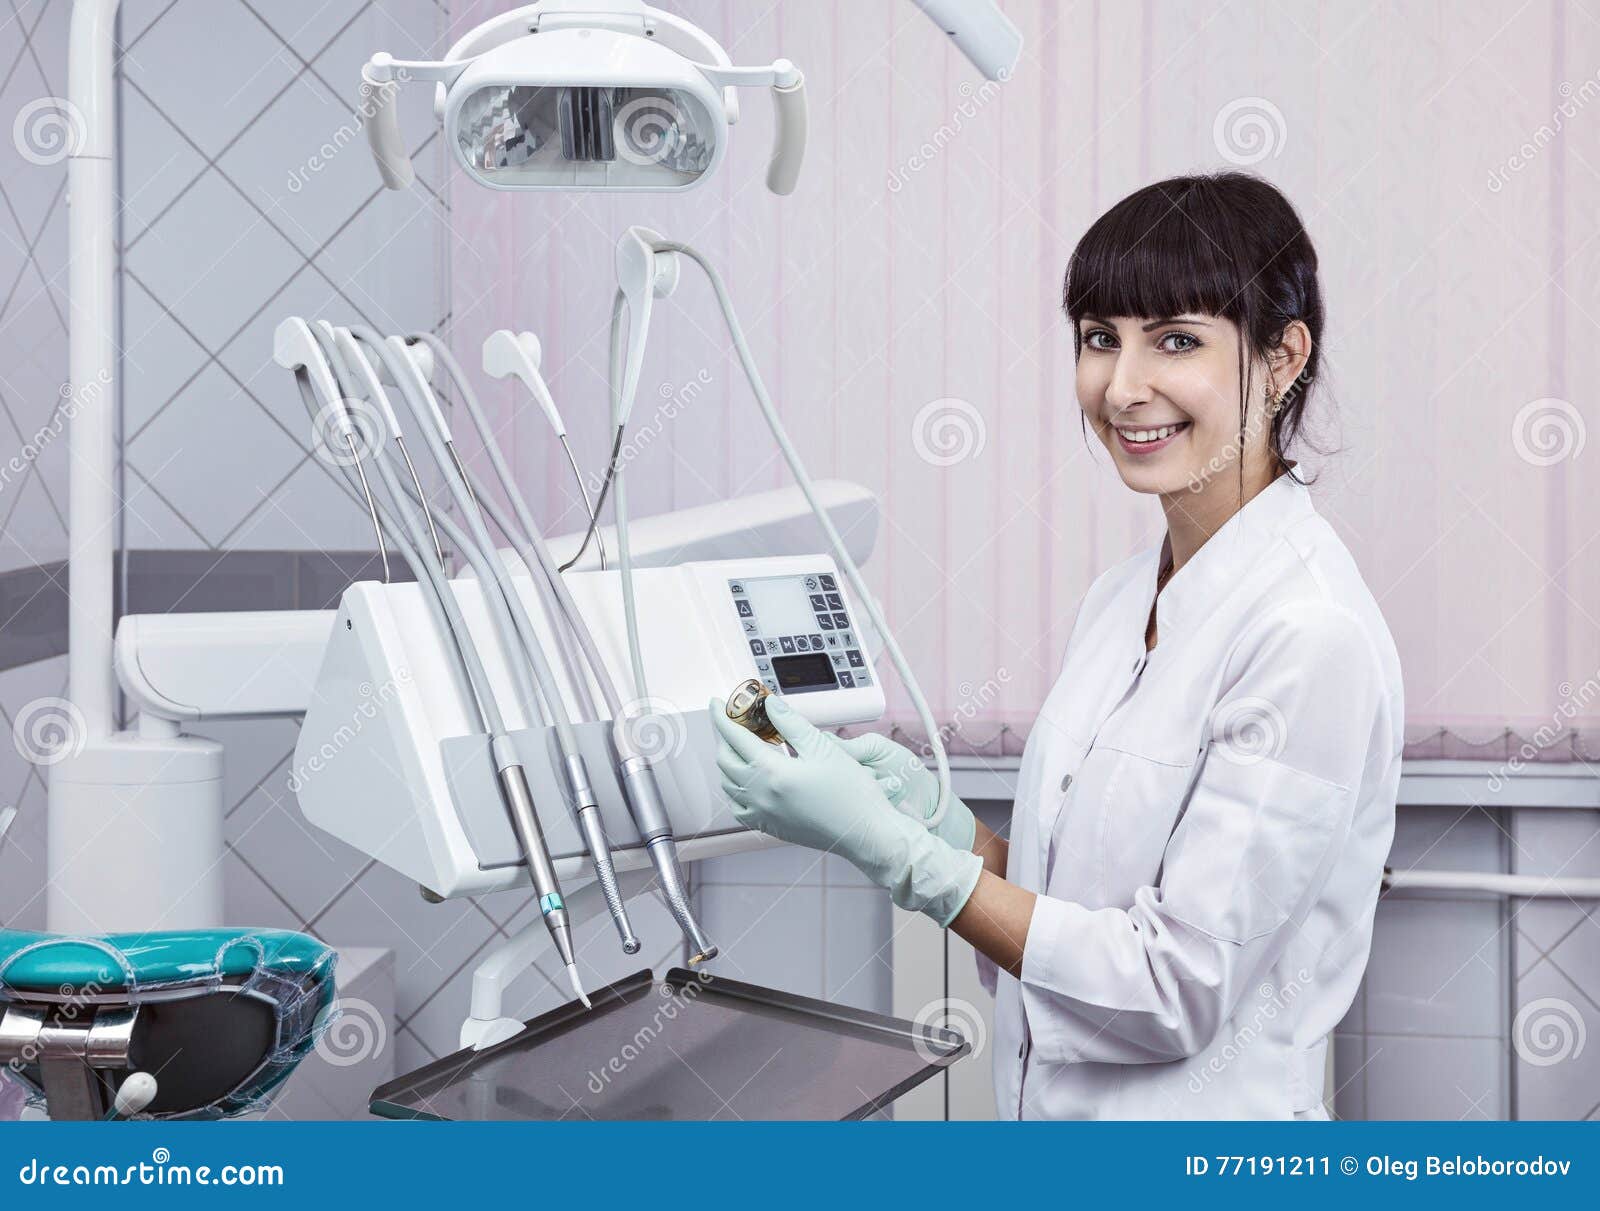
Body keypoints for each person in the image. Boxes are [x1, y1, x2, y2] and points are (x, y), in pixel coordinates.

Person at [710, 171, 1404, 1120]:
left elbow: (1173, 985)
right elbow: (1073, 908)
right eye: (1098, 340)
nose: (1121, 387)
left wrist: (897, 857)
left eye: (1175, 341)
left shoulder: (1306, 632)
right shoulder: (1121, 600)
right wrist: (930, 821)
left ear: (1283, 358)